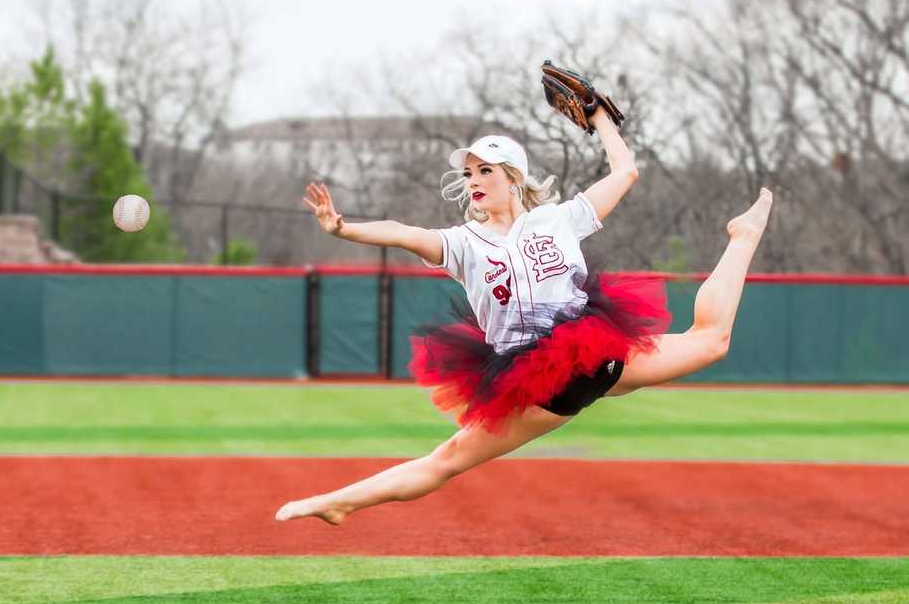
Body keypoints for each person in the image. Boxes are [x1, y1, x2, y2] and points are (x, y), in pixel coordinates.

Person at [276, 104, 773, 526]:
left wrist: (600, 117)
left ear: (512, 177)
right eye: (468, 173)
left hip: (596, 350)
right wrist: (343, 229)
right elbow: (402, 231)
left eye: (485, 170)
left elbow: (625, 172)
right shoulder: (462, 243)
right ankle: (337, 503)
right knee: (445, 461)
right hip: (535, 380)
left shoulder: (557, 219)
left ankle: (743, 238)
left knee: (712, 339)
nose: (473, 180)